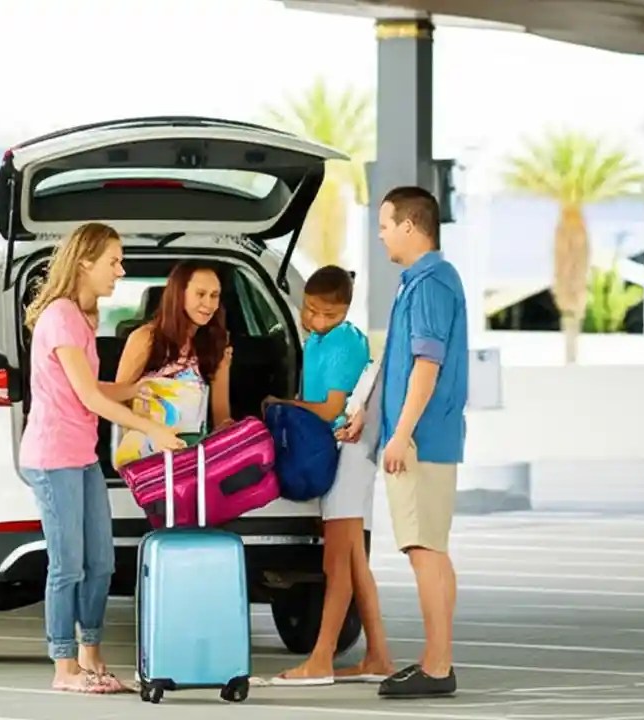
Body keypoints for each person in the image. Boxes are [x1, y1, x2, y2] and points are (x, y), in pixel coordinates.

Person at [19, 222, 186, 694]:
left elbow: (89, 390)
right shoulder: (60, 317)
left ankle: (91, 656)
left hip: (81, 455)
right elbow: (90, 399)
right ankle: (64, 667)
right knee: (67, 564)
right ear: (85, 262)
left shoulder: (82, 318)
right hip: (52, 457)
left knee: (103, 563)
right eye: (113, 261)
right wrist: (152, 427)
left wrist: (137, 390)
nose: (121, 269)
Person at [340, 186, 467, 699]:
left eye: (386, 225)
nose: (382, 234)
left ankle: (437, 667)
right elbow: (397, 364)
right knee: (431, 548)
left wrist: (399, 435)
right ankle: (437, 659)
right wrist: (368, 417)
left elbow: (426, 367)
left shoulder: (431, 283)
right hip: (420, 435)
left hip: (420, 440)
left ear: (411, 227)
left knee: (424, 549)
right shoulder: (418, 282)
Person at [265, 266, 394, 687]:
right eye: (312, 311)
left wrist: (280, 403)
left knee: (335, 562)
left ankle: (320, 659)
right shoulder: (319, 340)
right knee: (355, 562)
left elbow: (326, 409)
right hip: (341, 452)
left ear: (346, 311)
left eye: (329, 315)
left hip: (349, 453)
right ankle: (378, 656)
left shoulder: (343, 342)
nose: (318, 321)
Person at [113, 261, 234, 463]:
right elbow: (117, 398)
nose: (209, 304)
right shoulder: (145, 338)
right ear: (179, 294)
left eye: (215, 296)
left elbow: (221, 416)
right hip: (146, 459)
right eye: (200, 294)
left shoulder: (216, 346)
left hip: (191, 458)